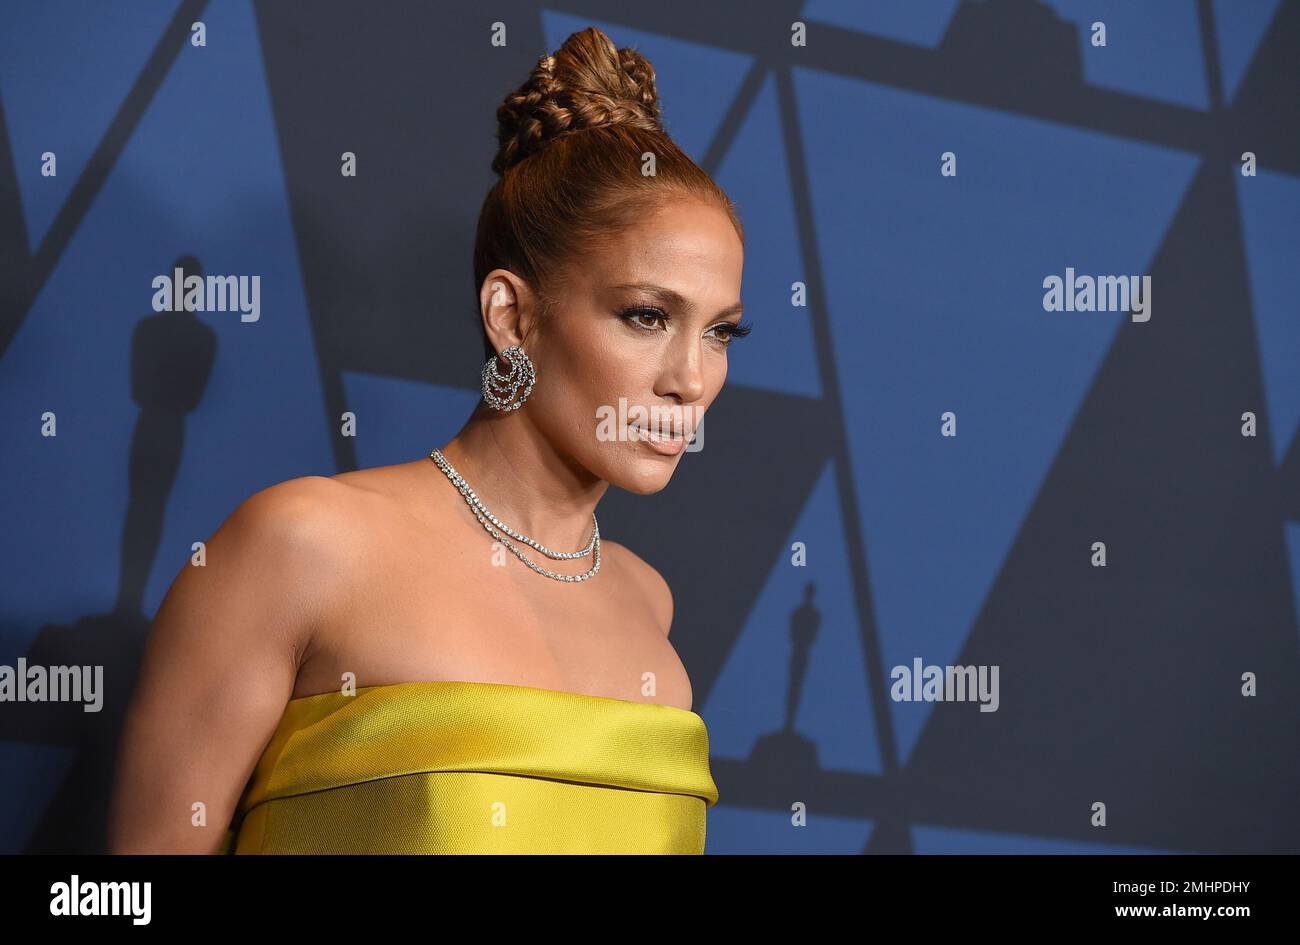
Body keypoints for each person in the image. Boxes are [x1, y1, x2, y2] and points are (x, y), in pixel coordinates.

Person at [108, 24, 749, 854]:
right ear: (511, 315)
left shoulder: (646, 603)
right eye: (647, 316)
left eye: (722, 333)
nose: (691, 378)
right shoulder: (304, 545)